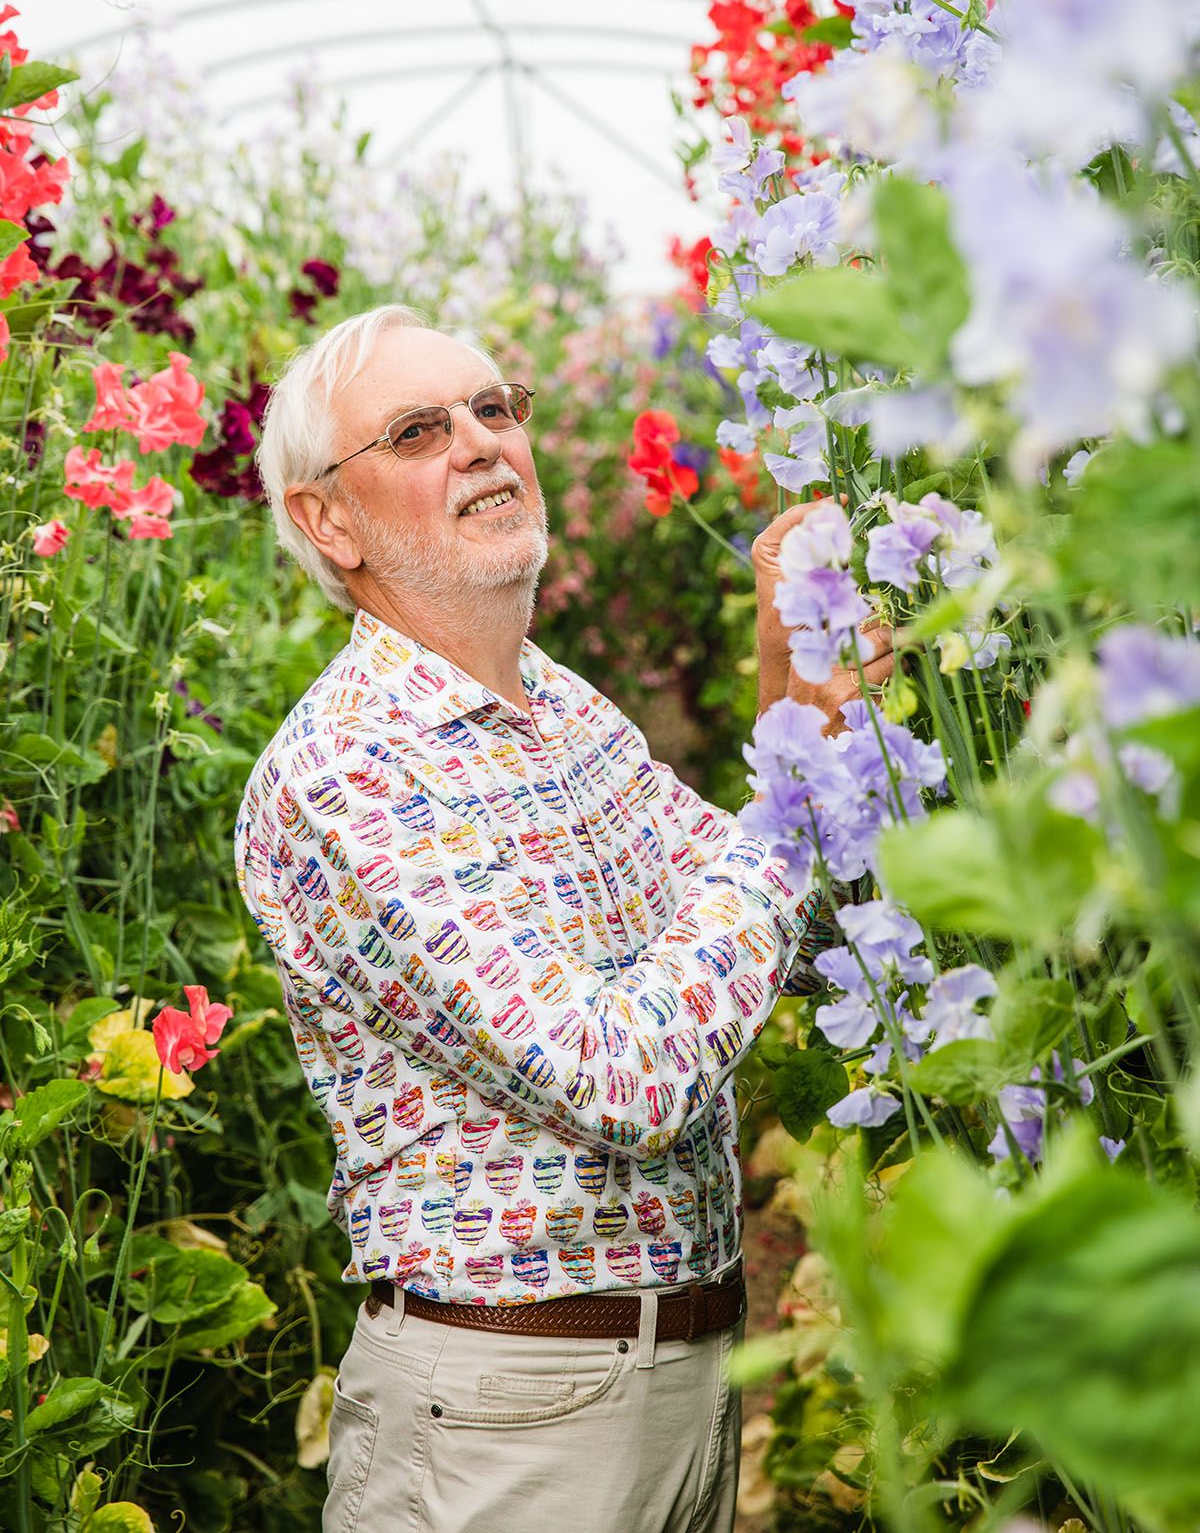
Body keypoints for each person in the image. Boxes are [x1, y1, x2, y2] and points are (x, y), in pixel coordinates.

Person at [236, 303, 892, 1533]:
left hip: (671, 1385)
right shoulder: (349, 773)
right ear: (327, 519)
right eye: (421, 429)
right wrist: (794, 775)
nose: (481, 442)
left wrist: (789, 688)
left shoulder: (560, 706)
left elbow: (795, 940)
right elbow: (625, 1075)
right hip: (508, 1429)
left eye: (495, 408)